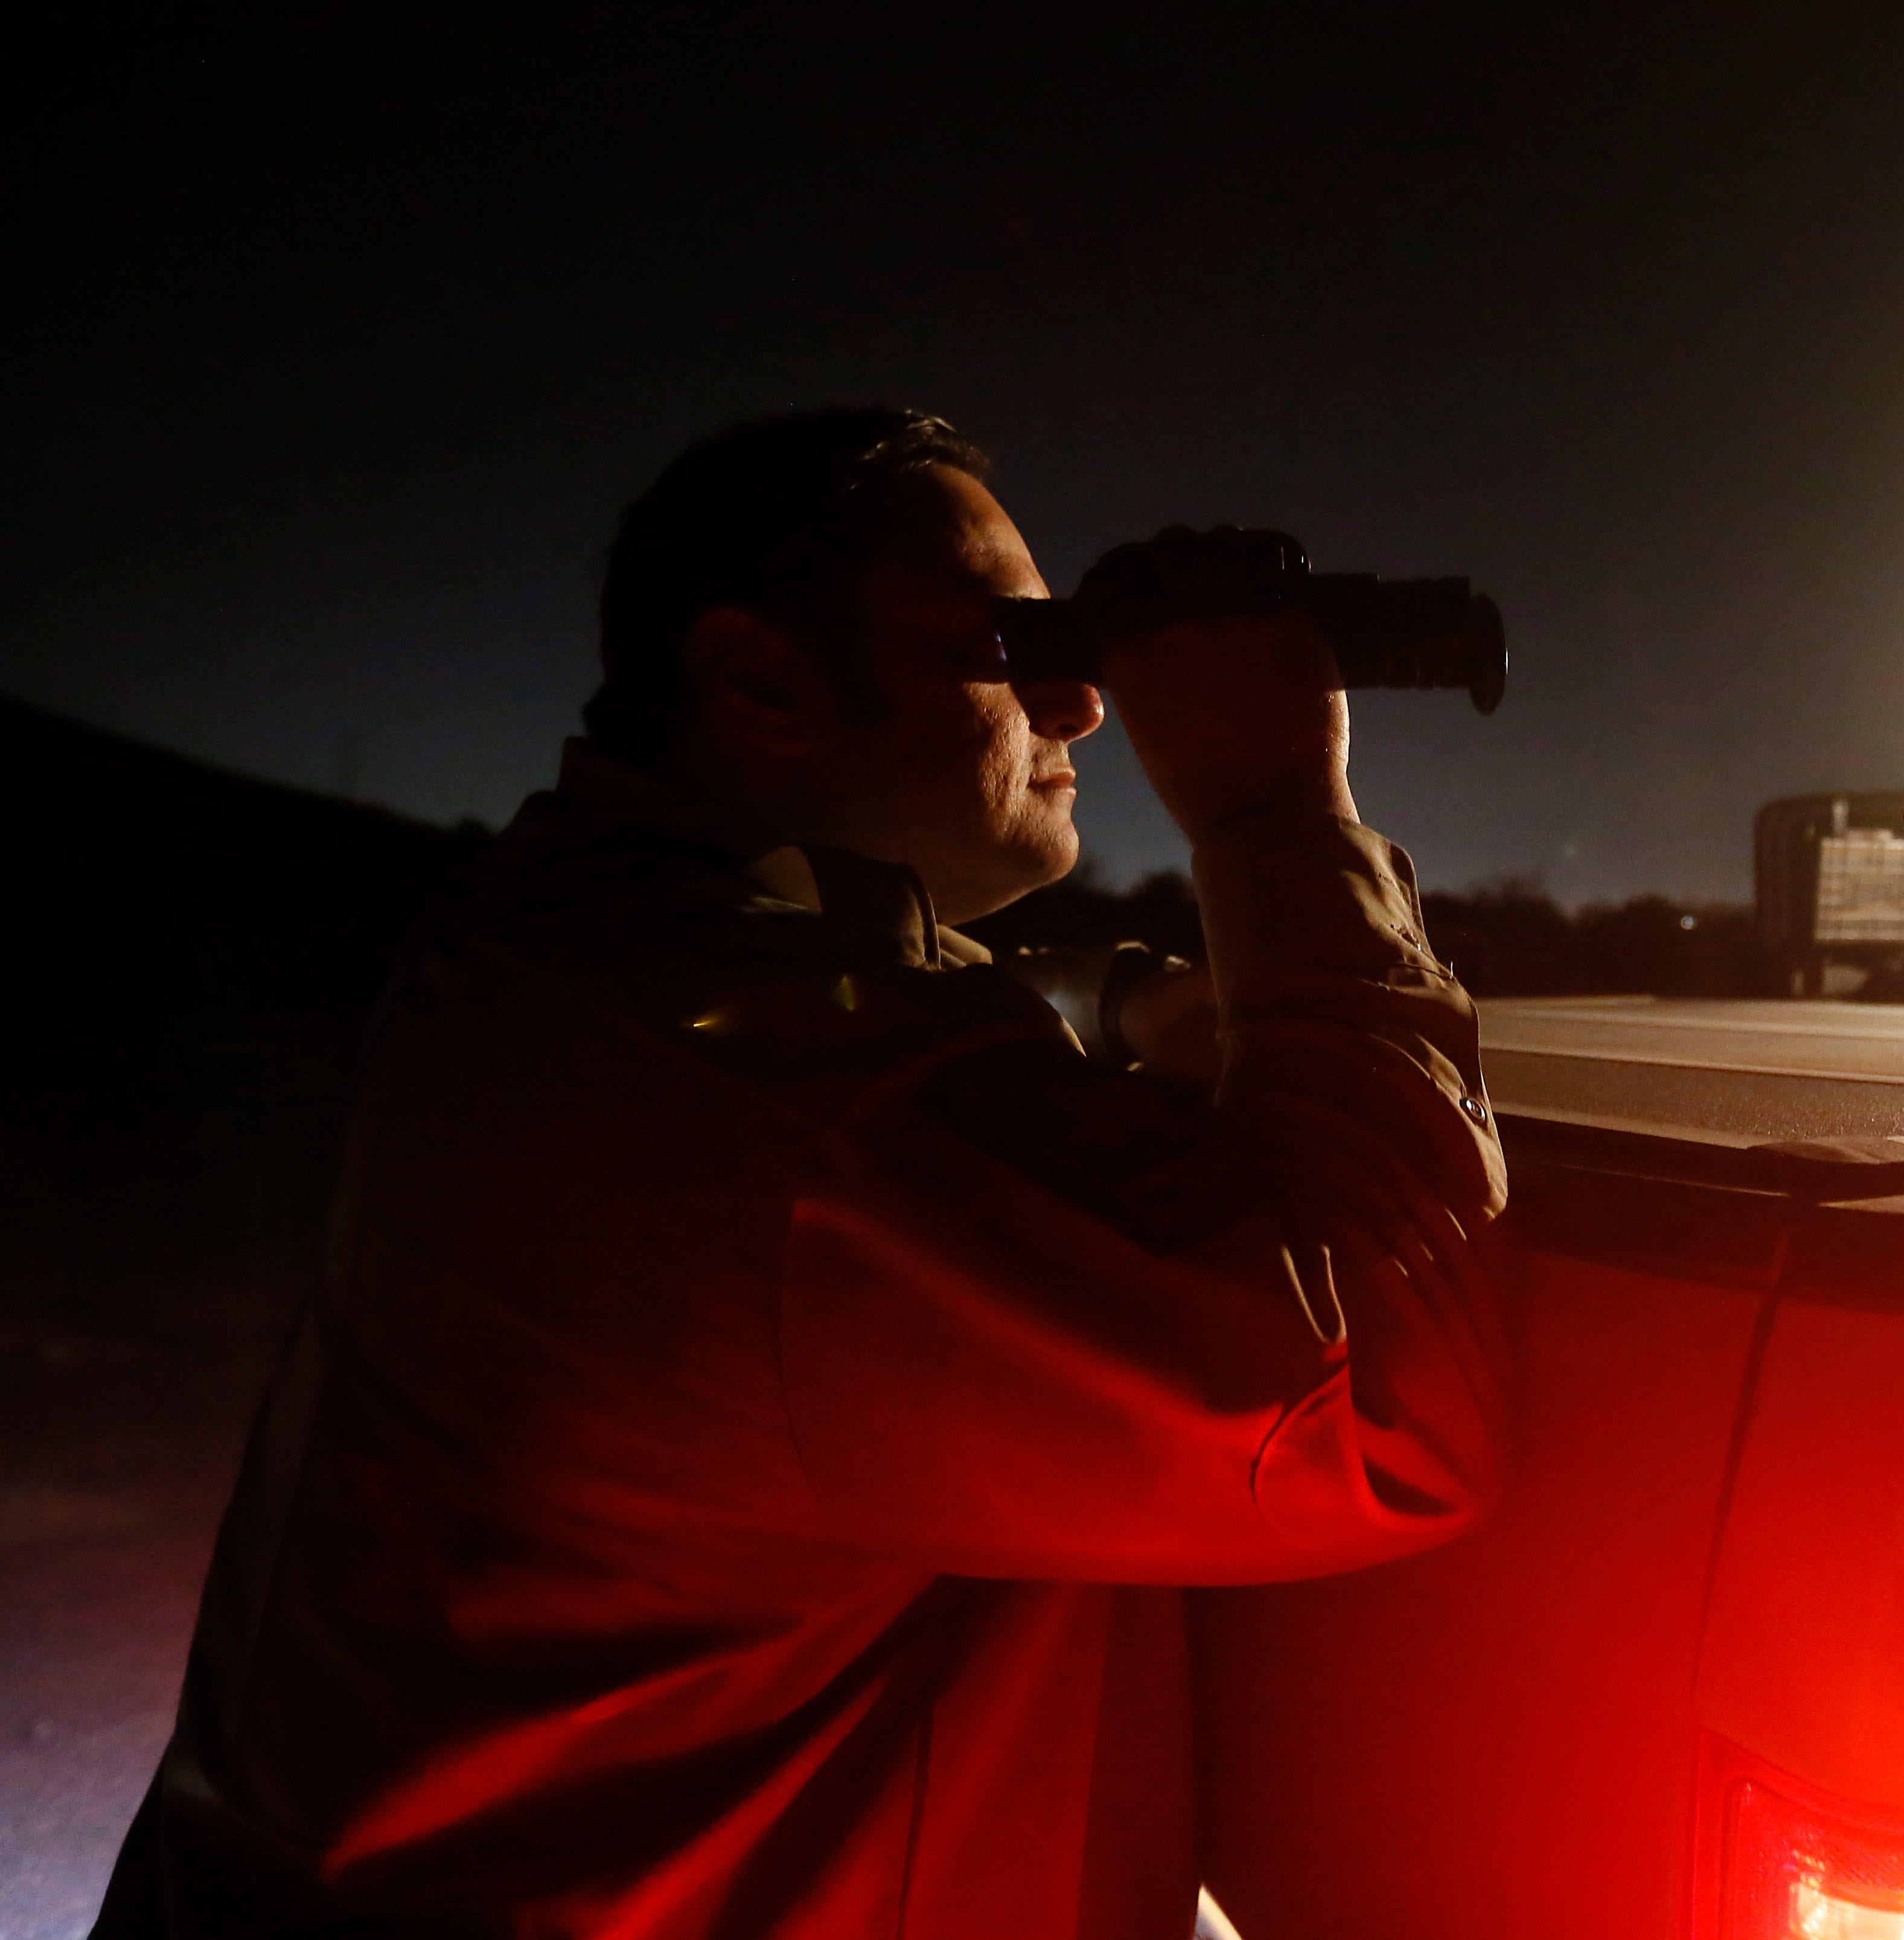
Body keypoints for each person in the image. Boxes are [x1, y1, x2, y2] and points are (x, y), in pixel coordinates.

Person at [94, 409, 1510, 1938]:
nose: (1085, 702)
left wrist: (1106, 995)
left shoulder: (550, 936)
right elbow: (1378, 1411)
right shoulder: (784, 1123)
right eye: (1015, 641)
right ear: (762, 676)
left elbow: (845, 995)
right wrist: (1270, 812)